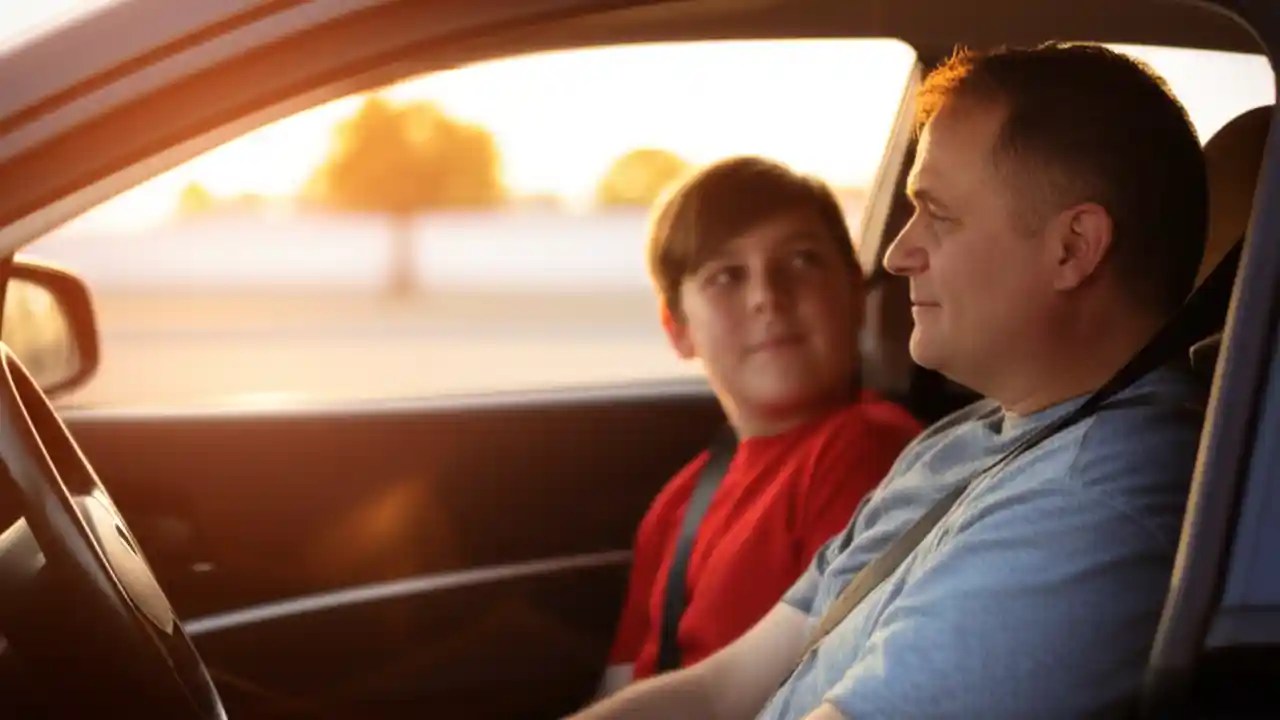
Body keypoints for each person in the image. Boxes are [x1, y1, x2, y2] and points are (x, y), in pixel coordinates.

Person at [574, 41, 1208, 719]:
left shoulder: (1089, 505)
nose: (900, 253)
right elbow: (721, 687)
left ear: (1073, 248)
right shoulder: (966, 442)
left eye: (938, 214)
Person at [601, 157, 922, 693]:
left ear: (853, 295)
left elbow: (842, 677)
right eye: (726, 276)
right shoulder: (680, 502)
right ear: (677, 328)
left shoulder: (867, 448)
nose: (766, 297)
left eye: (800, 261)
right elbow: (622, 682)